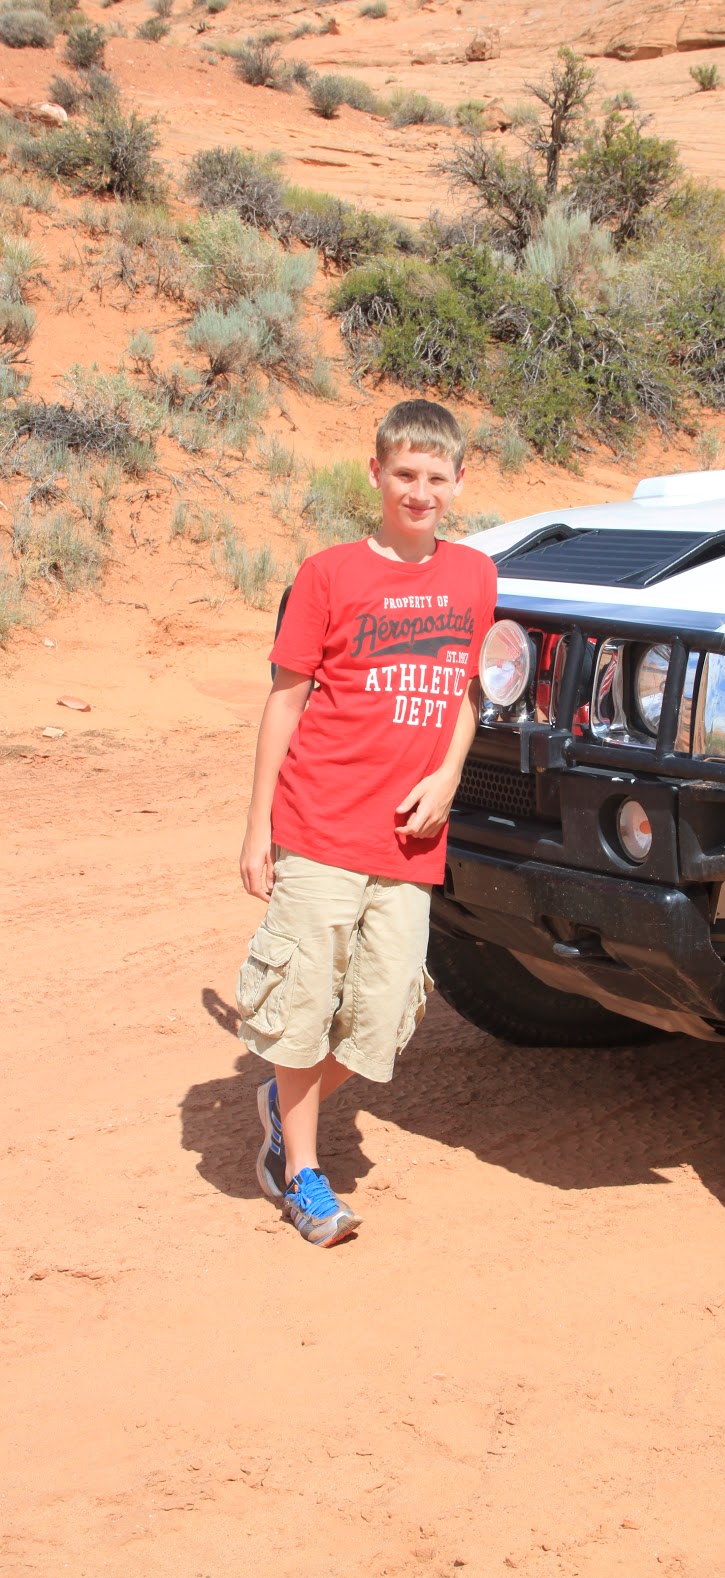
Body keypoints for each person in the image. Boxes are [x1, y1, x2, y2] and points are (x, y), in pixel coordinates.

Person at [235, 399, 497, 1246]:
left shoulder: (473, 577)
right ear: (376, 474)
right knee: (305, 1006)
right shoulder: (328, 575)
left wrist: (449, 777)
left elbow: (464, 694)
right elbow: (284, 703)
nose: (418, 491)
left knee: (383, 1017)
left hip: (410, 840)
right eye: (404, 475)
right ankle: (302, 1173)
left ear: (457, 484)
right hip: (318, 824)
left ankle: (280, 1102)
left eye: (434, 477)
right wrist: (256, 829)